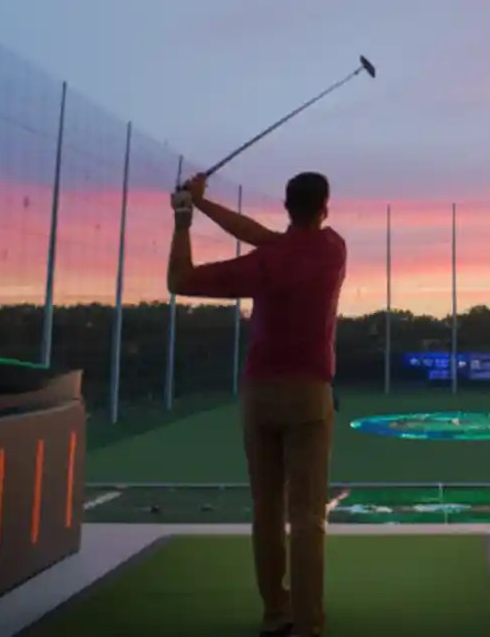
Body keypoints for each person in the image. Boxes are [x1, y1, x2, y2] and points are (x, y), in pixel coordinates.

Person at [169, 172, 346, 637]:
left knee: (266, 507)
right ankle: (309, 624)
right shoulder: (332, 249)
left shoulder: (267, 261)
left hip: (260, 395)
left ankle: (275, 614)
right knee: (308, 515)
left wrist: (186, 214)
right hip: (309, 394)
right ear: (324, 207)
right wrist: (204, 205)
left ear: (286, 207)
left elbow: (180, 279)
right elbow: (262, 237)